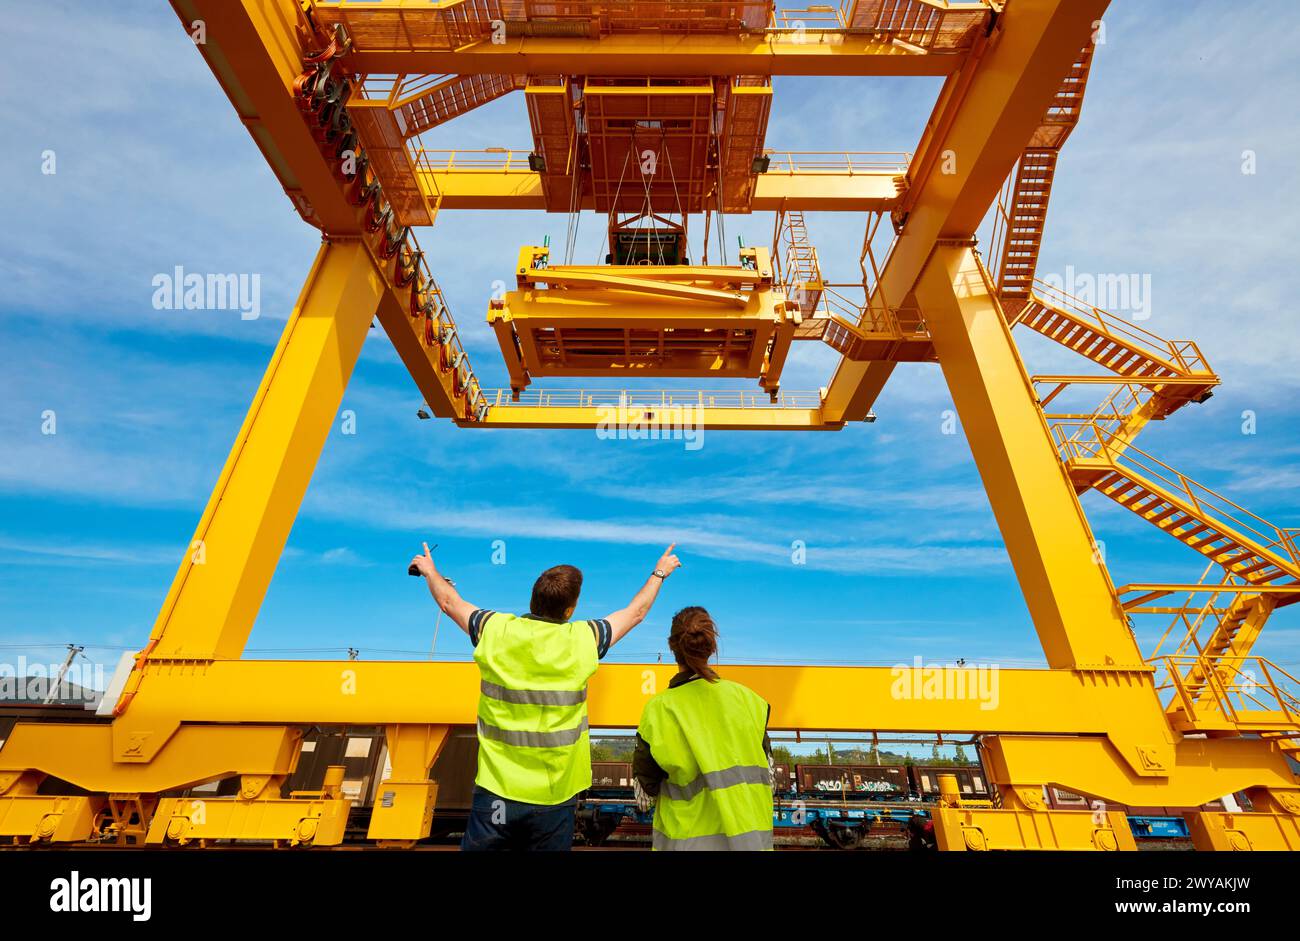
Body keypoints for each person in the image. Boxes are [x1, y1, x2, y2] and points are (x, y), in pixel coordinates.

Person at [409, 541, 682, 850]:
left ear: (533, 599)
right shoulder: (583, 639)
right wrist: (661, 571)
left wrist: (430, 570)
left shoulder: (494, 630)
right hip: (555, 798)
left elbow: (448, 601)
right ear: (570, 609)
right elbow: (636, 613)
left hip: (495, 793)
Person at [632, 606, 775, 851]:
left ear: (672, 647)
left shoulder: (659, 710)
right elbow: (770, 781)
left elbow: (644, 799)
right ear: (711, 646)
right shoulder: (750, 701)